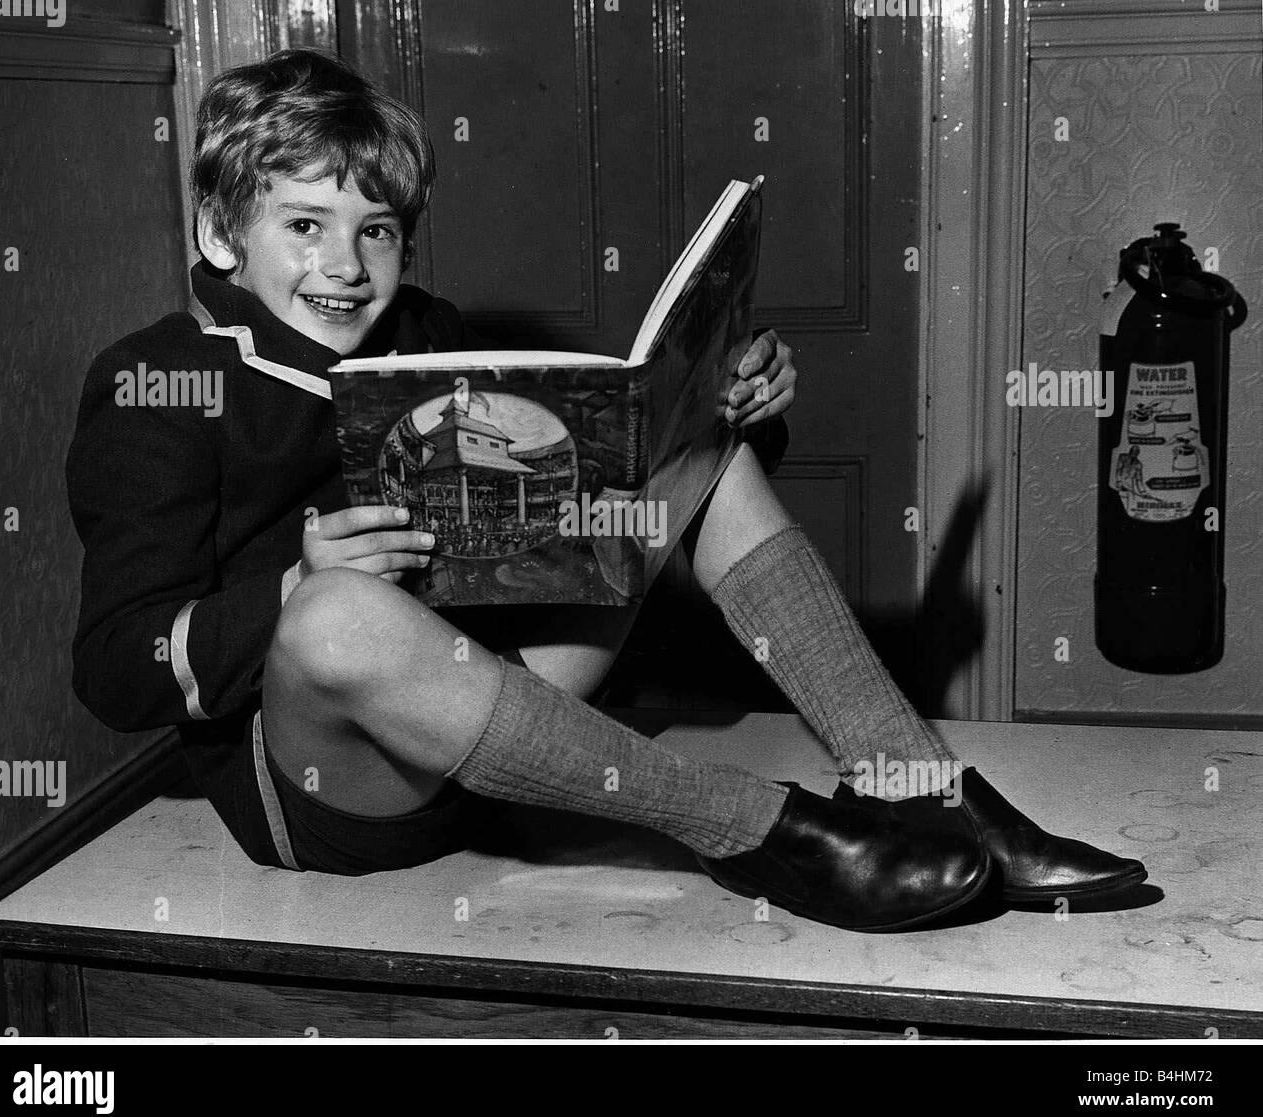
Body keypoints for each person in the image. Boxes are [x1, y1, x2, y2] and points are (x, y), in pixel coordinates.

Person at [66, 49, 1145, 933]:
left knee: (689, 449)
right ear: (220, 234)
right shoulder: (157, 386)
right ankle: (756, 832)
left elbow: (601, 497)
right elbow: (114, 671)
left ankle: (912, 780)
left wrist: (717, 406)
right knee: (339, 613)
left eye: (376, 230)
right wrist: (296, 586)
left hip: (493, 729)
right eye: (304, 225)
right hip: (331, 790)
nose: (346, 266)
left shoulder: (424, 334)